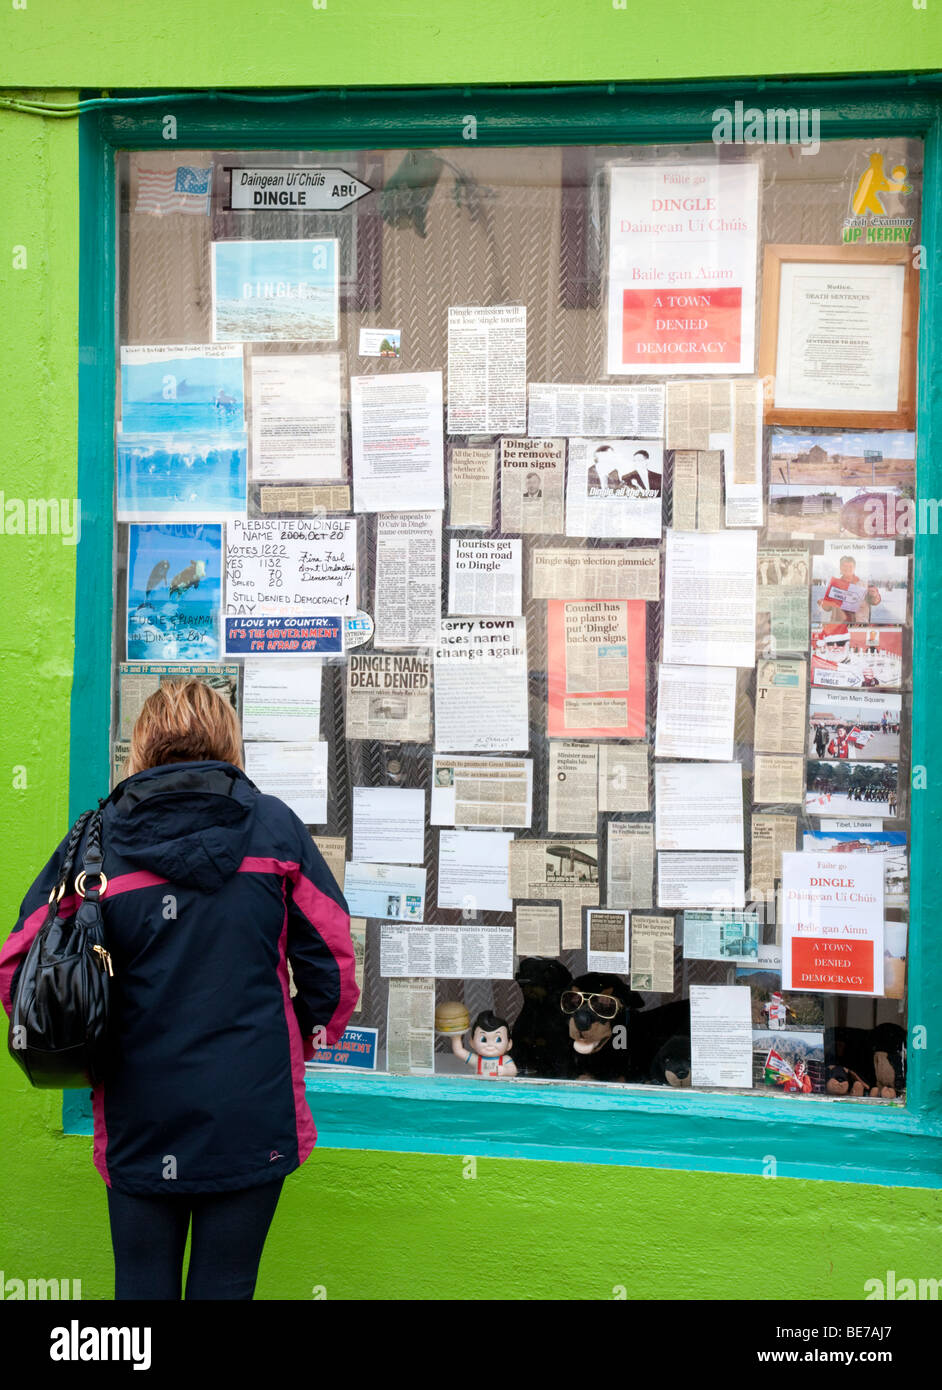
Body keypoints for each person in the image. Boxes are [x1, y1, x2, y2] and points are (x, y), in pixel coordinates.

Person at [1, 679, 358, 1301]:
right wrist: (296, 1035)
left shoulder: (97, 838)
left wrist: (89, 1048)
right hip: (254, 1100)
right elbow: (333, 963)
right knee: (227, 1284)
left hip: (140, 1104)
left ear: (141, 744)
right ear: (228, 739)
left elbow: (18, 971)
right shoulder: (274, 827)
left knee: (140, 1287)